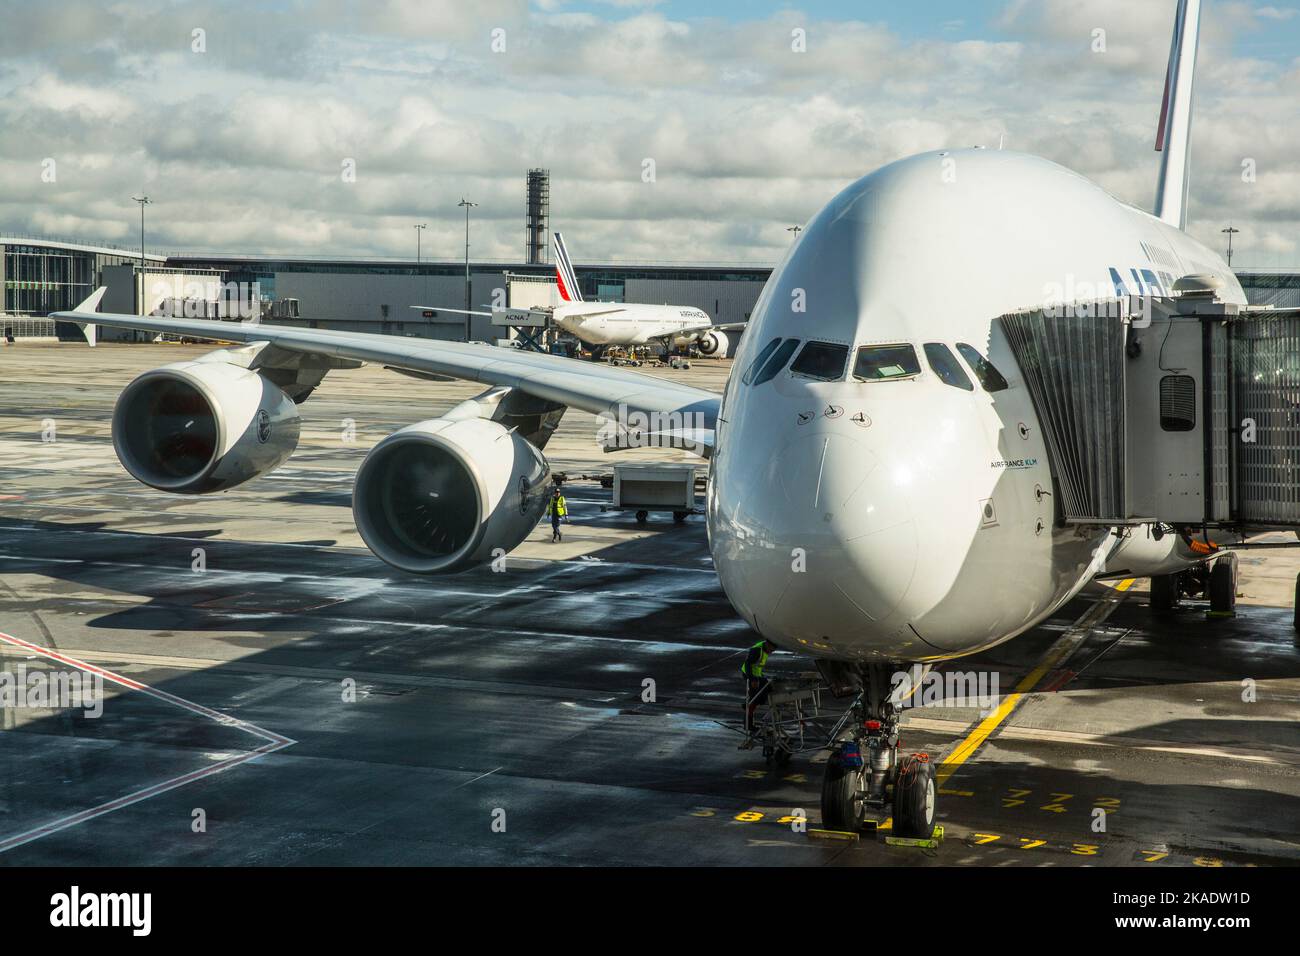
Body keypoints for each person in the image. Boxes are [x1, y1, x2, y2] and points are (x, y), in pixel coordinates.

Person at [740, 637, 776, 736]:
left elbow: (757, 666)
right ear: (768, 645)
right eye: (771, 650)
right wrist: (752, 680)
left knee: (768, 688)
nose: (771, 652)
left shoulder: (765, 649)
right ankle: (748, 725)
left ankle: (750, 704)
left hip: (757, 676)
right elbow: (747, 664)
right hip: (750, 675)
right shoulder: (757, 650)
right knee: (753, 700)